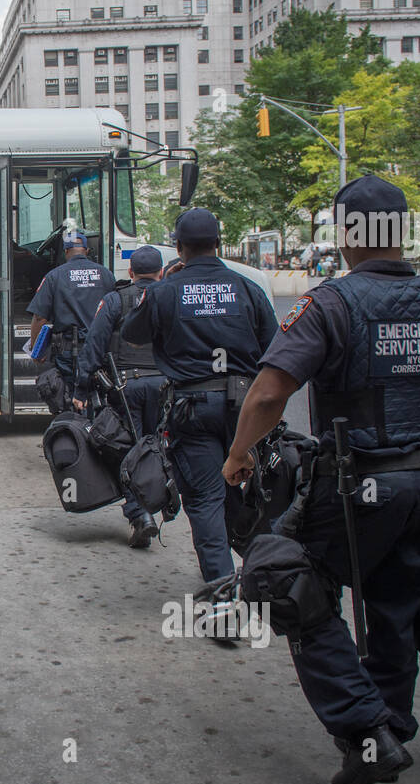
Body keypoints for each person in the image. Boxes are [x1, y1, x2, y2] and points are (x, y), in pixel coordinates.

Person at [223, 174, 420, 784]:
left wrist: (238, 456)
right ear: (400, 231)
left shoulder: (329, 304)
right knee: (395, 606)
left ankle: (366, 734)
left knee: (286, 585)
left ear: (347, 234)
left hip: (357, 487)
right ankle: (392, 724)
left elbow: (269, 392)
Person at [120, 209, 278, 595]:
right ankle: (266, 578)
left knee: (206, 498)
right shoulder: (247, 288)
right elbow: (276, 349)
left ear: (178, 247)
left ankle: (223, 594)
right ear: (219, 244)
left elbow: (132, 334)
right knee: (251, 491)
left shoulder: (165, 290)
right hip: (246, 408)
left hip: (192, 408)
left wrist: (162, 290)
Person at [73, 245, 166, 548]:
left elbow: (95, 345)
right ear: (161, 272)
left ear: (131, 272)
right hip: (167, 387)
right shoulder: (172, 296)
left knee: (127, 449)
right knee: (159, 448)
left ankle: (140, 514)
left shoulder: (115, 300)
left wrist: (82, 387)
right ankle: (159, 503)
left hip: (127, 387)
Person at [28, 228, 115, 401]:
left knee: (70, 396)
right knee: (100, 395)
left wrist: (35, 348)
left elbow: (40, 317)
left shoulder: (54, 276)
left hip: (68, 350)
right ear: (87, 251)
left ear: (66, 251)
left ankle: (75, 425)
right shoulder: (106, 274)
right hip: (100, 348)